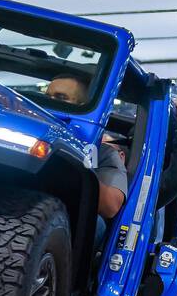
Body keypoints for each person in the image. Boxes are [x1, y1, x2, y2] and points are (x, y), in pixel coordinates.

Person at [44, 74, 127, 235]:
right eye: (48, 97)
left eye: (61, 98)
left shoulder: (102, 152)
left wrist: (74, 168)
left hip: (63, 218)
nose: (52, 102)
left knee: (97, 224)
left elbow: (111, 206)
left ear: (83, 107)